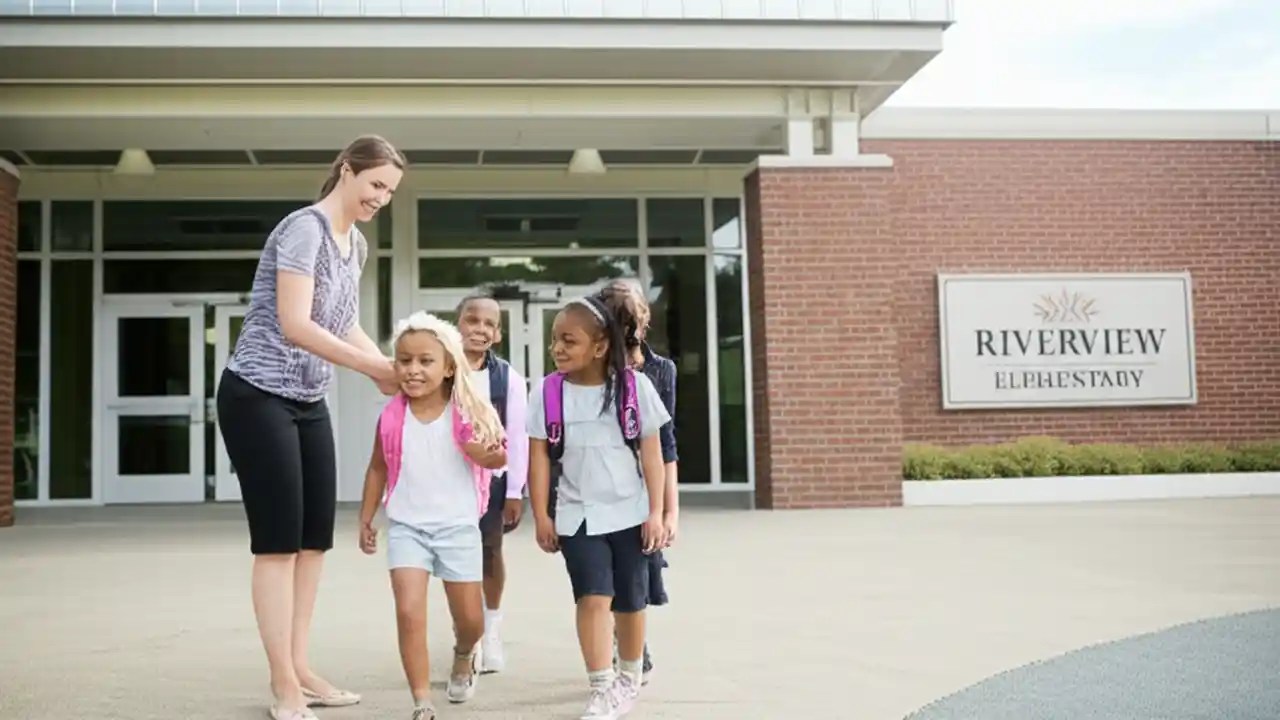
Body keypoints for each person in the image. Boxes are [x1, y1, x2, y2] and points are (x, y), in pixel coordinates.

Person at [216, 135, 404, 720]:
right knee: (276, 545)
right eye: (375, 184)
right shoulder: (304, 230)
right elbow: (296, 324)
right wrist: (373, 367)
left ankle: (301, 666)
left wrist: (390, 369)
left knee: (313, 542)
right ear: (346, 172)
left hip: (307, 399)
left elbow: (343, 324)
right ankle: (282, 684)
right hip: (256, 396)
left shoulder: (358, 246)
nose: (381, 198)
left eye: (390, 191)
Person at [358, 311, 508, 720]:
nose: (413, 369)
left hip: (458, 528)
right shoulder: (392, 415)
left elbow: (497, 453)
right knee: (408, 614)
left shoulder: (468, 410)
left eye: (425, 361)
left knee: (471, 620)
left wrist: (487, 455)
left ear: (447, 368)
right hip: (407, 527)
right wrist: (366, 517)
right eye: (404, 361)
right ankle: (422, 702)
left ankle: (465, 653)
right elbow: (377, 468)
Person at [527, 295, 671, 720]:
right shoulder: (548, 392)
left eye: (568, 340)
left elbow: (652, 453)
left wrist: (657, 513)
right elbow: (538, 457)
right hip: (577, 514)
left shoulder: (633, 387)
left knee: (630, 600)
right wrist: (542, 514)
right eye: (555, 340)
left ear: (600, 345)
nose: (558, 348)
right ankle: (602, 685)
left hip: (630, 511)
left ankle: (628, 678)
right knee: (592, 596)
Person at [596, 279, 679, 686]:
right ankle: (625, 642)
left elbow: (666, 444)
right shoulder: (591, 373)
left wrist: (667, 511)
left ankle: (631, 643)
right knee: (605, 572)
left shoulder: (662, 371)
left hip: (647, 484)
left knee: (641, 570)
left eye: (633, 318)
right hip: (600, 488)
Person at [454, 292, 529, 674]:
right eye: (472, 320)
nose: (479, 329)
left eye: (488, 324)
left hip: (493, 483)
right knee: (455, 559)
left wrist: (516, 490)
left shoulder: (508, 379)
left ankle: (492, 628)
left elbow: (517, 437)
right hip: (447, 481)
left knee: (489, 553)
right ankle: (468, 635)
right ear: (458, 325)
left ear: (498, 334)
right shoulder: (441, 370)